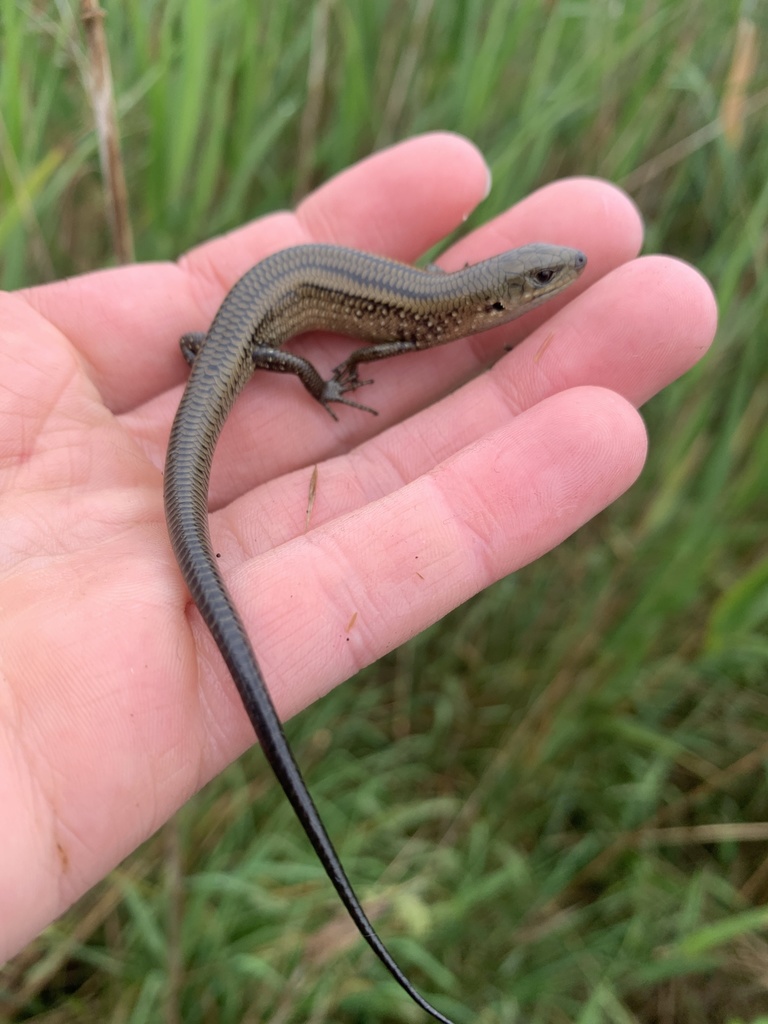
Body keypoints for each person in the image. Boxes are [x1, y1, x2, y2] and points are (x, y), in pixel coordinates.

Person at [0, 133, 716, 962]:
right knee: (235, 386)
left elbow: (290, 341)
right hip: (253, 336)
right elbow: (371, 345)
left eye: (547, 275)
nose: (559, 276)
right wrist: (324, 381)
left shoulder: (444, 306)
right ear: (492, 304)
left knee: (211, 362)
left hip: (235, 331)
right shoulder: (429, 316)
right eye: (541, 281)